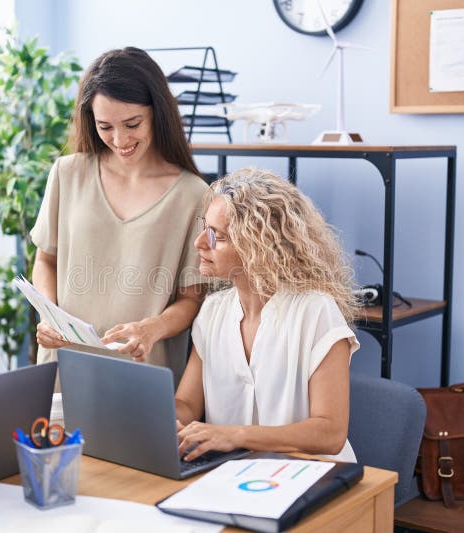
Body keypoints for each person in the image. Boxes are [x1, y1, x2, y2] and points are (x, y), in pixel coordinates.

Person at [30, 47, 207, 383]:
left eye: (132, 124)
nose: (119, 139)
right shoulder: (67, 174)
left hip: (141, 372)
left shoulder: (193, 195)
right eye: (105, 127)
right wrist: (48, 314)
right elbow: (45, 261)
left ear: (157, 112)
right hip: (62, 366)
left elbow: (191, 299)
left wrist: (152, 328)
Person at [175, 168, 361, 462]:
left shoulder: (315, 312)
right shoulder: (212, 311)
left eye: (217, 236)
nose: (200, 243)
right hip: (233, 476)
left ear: (259, 247)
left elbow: (330, 433)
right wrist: (168, 417)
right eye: (204, 228)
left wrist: (234, 435)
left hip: (311, 475)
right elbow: (187, 402)